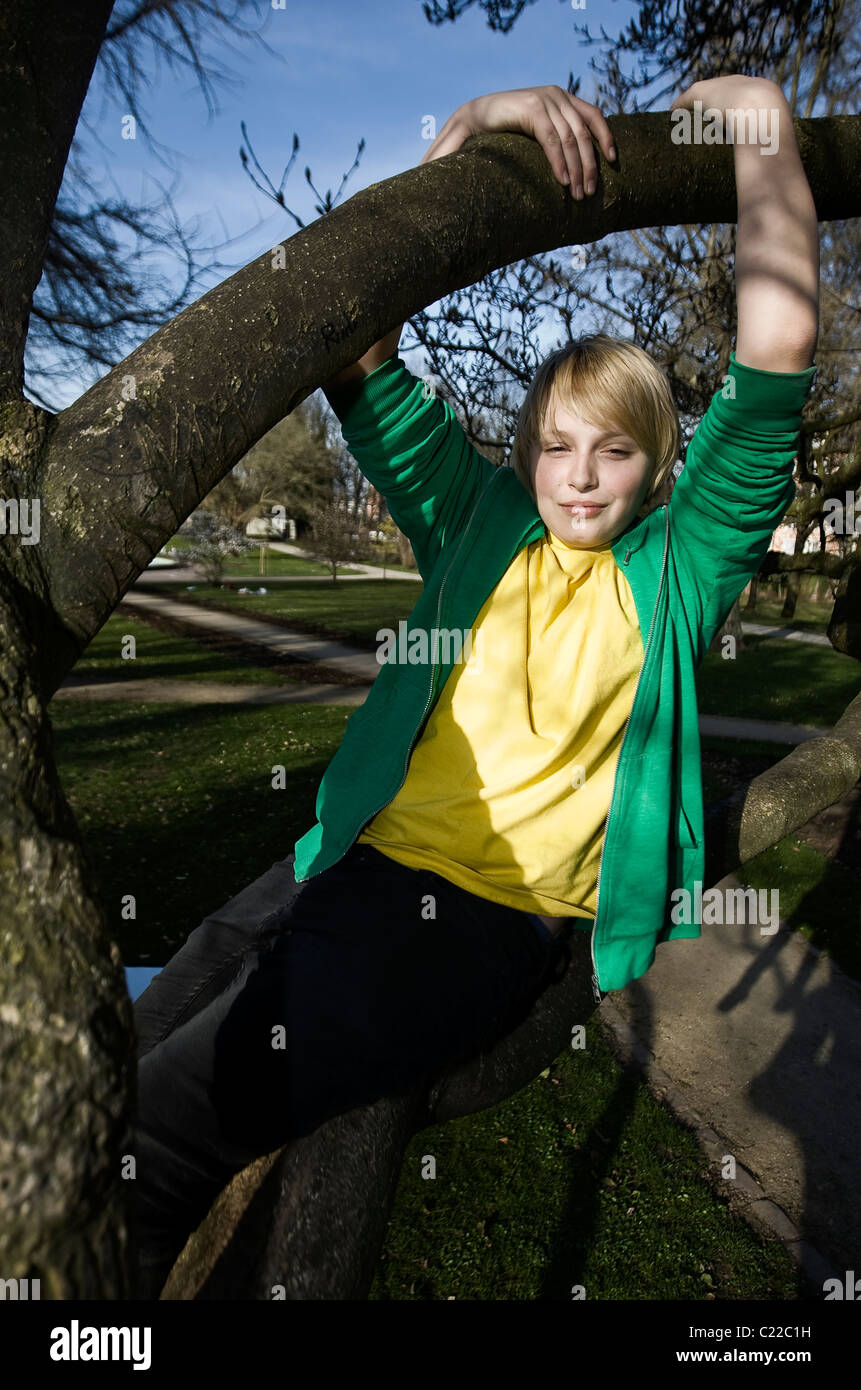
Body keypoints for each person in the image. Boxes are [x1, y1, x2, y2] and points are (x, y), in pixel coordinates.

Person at [130, 77, 819, 1298]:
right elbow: (360, 318)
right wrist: (484, 123)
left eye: (615, 448)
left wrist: (760, 129)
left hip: (475, 917)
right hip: (339, 855)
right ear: (527, 447)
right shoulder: (475, 515)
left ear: (659, 465)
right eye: (559, 441)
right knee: (126, 1049)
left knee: (169, 1124)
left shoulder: (679, 568)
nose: (582, 474)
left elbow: (776, 352)